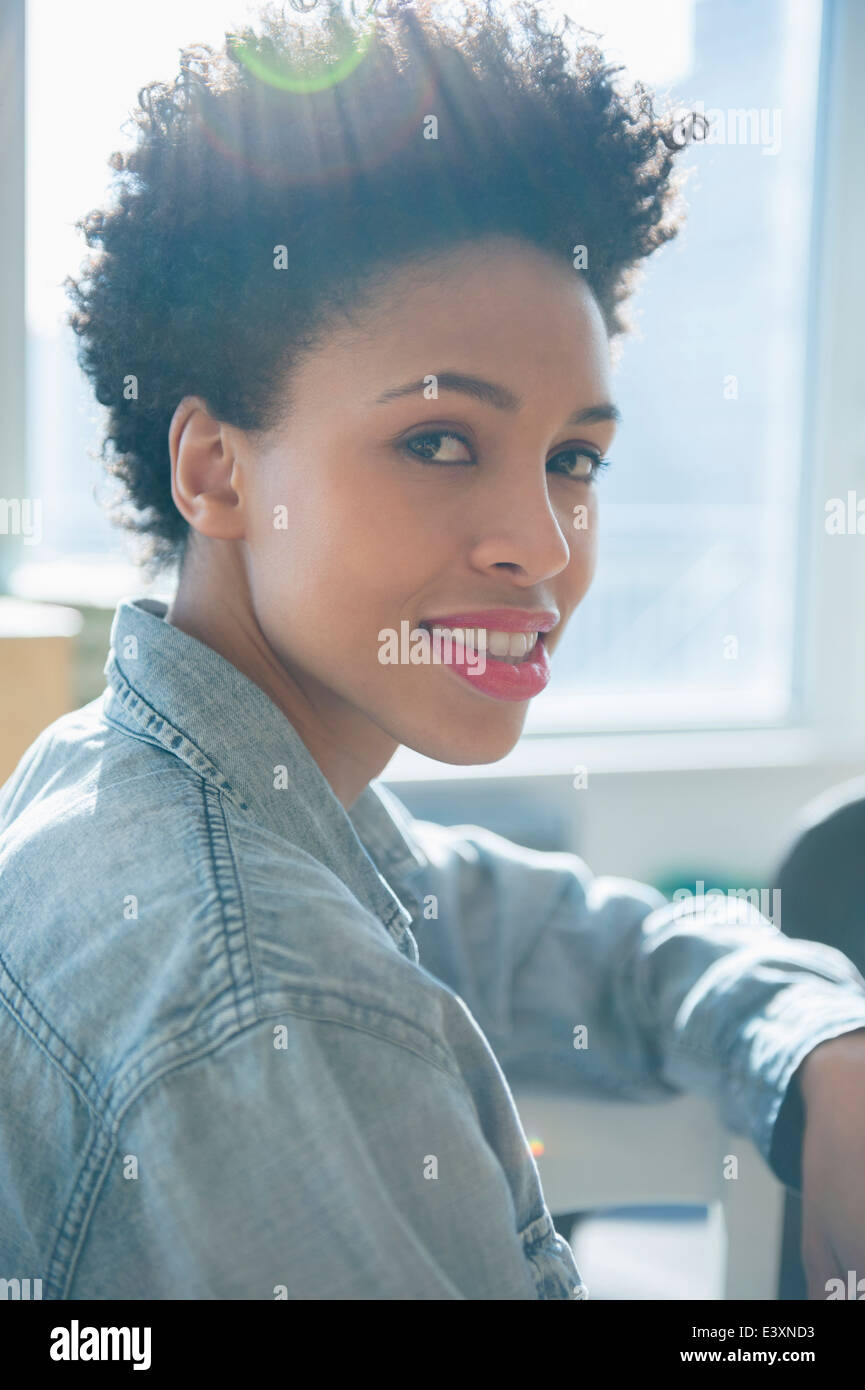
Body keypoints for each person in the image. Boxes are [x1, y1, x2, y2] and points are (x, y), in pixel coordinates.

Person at [1, 0, 864, 1301]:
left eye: (573, 459)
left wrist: (818, 1036)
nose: (543, 542)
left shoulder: (135, 778)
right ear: (214, 469)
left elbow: (572, 938)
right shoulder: (267, 997)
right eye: (440, 440)